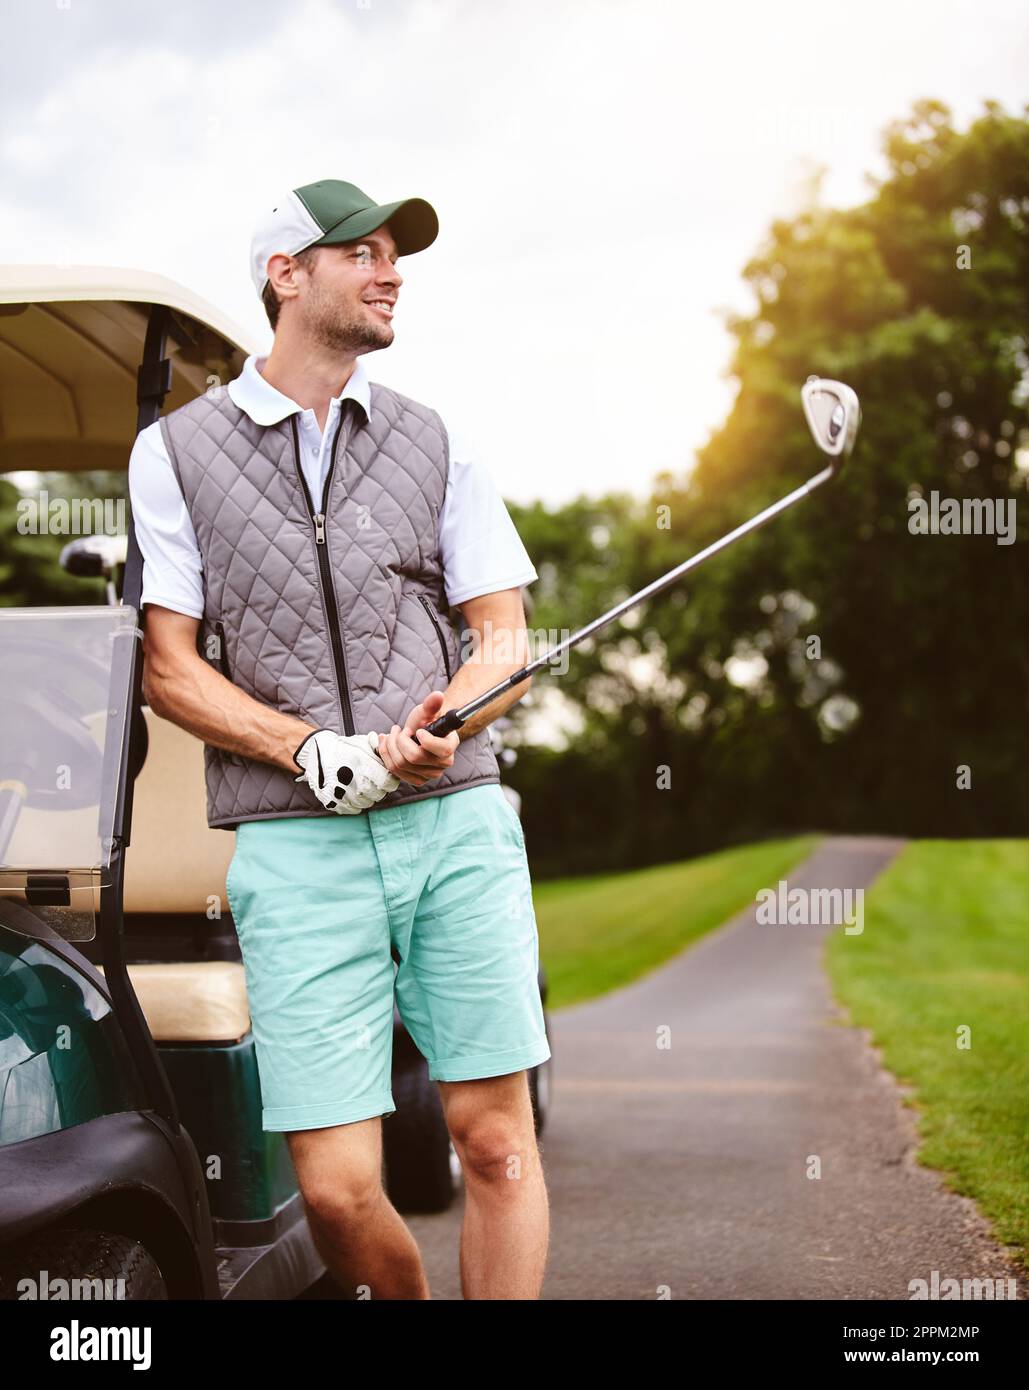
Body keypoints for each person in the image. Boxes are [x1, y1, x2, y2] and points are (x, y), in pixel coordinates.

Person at [128, 178, 551, 1300]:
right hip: (295, 843)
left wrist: (447, 719)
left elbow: (502, 635)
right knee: (337, 1191)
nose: (390, 273)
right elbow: (169, 667)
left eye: (396, 256)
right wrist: (313, 749)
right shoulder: (173, 454)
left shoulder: (436, 438)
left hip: (452, 822)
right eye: (362, 252)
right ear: (287, 274)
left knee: (496, 1143)